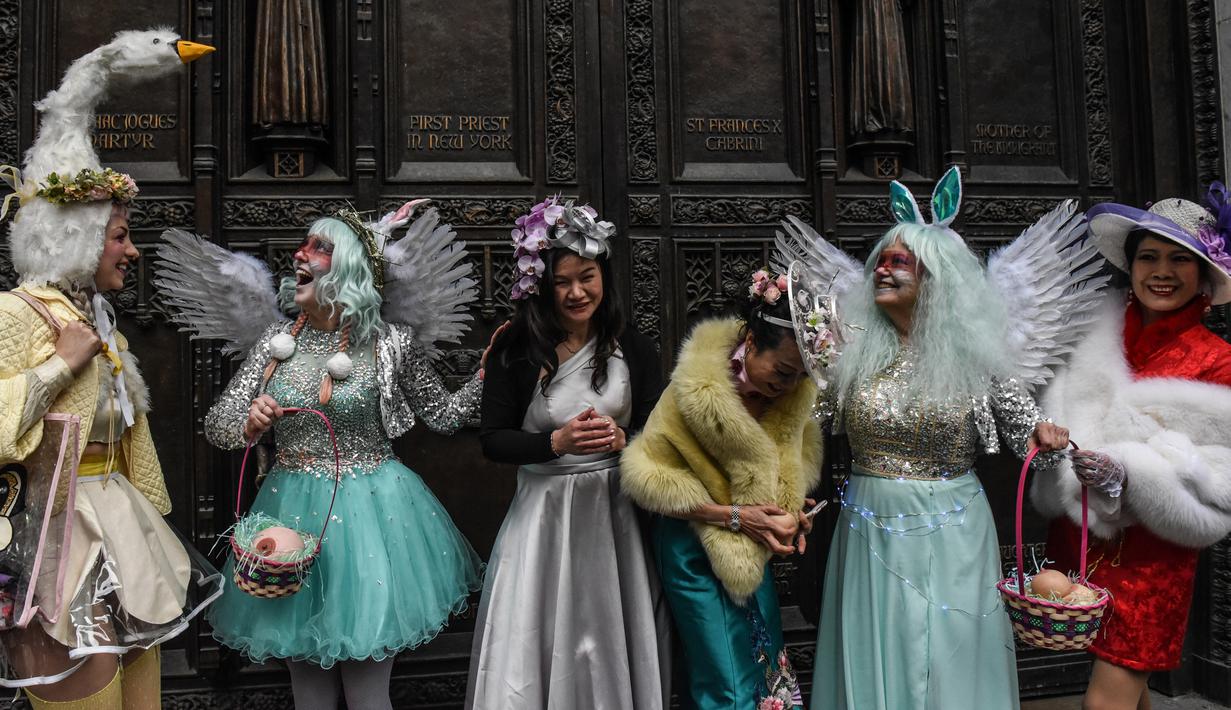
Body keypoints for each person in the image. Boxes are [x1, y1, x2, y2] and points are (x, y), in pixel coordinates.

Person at [156, 199, 492, 709]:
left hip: (376, 520)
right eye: (304, 245)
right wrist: (250, 423)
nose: (300, 256)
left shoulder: (389, 344)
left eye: (319, 248)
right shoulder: (275, 342)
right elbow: (219, 428)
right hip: (289, 516)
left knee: (367, 691)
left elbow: (443, 417)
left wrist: (491, 376)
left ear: (353, 267)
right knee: (307, 688)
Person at [776, 169, 1084, 710]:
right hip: (870, 525)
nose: (884, 270)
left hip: (955, 532)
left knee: (948, 653)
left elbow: (1029, 445)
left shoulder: (977, 359)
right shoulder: (848, 352)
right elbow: (802, 427)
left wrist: (1047, 439)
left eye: (901, 262)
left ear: (937, 279)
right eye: (881, 260)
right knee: (881, 647)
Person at [0, 29, 219, 709]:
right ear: (77, 238)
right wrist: (56, 368)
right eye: (119, 235)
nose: (131, 251)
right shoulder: (16, 314)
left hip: (121, 534)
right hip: (56, 552)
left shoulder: (97, 319)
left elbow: (123, 442)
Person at [465, 196, 669, 709]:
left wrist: (627, 442)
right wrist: (553, 443)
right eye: (563, 281)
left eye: (588, 277)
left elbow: (659, 433)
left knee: (606, 629)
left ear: (604, 276)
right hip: (544, 512)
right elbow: (492, 438)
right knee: (537, 630)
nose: (577, 292)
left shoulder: (632, 345)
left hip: (614, 512)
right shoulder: (516, 345)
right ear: (542, 284)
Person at [1031, 192, 1231, 710]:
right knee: (1127, 689)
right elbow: (1051, 418)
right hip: (1082, 542)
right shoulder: (1091, 337)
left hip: (1154, 559)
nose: (1160, 272)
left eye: (1179, 259)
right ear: (1131, 264)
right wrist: (1051, 439)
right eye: (1149, 256)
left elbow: (1220, 474)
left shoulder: (1218, 362)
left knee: (1105, 701)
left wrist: (1129, 471)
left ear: (1204, 274)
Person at [621, 268, 822, 710]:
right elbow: (648, 479)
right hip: (692, 545)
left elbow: (783, 475)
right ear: (750, 342)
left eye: (800, 377)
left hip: (752, 552)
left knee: (767, 669)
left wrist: (793, 509)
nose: (787, 386)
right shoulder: (693, 389)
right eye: (783, 371)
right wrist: (734, 516)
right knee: (724, 677)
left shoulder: (791, 399)